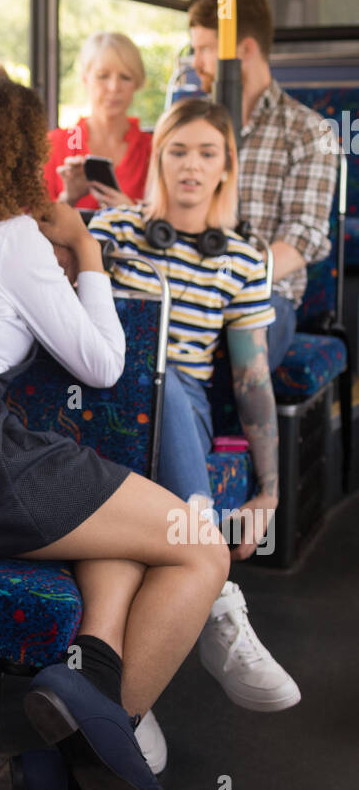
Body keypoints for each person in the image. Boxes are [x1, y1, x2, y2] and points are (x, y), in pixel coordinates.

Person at [0, 75, 230, 790]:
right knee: (197, 544)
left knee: (116, 533)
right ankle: (80, 759)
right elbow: (103, 362)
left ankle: (91, 670)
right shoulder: (12, 238)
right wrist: (85, 252)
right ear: (18, 155)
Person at [89, 98, 300, 714]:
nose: (191, 165)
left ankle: (130, 696)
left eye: (207, 153)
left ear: (226, 168)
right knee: (139, 360)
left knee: (171, 376)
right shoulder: (112, 234)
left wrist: (268, 489)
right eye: (178, 150)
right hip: (107, 403)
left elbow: (253, 380)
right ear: (158, 160)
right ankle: (210, 606)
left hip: (182, 406)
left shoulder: (240, 260)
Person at [189, 0, 339, 371]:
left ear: (244, 49)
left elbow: (303, 236)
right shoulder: (195, 126)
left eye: (206, 50)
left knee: (240, 338)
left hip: (266, 291)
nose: (196, 63)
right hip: (189, 276)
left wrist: (232, 277)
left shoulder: (310, 130)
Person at [44, 31, 153, 211]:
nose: (114, 87)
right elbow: (31, 227)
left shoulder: (153, 151)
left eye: (125, 77)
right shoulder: (53, 144)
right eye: (103, 76)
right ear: (85, 78)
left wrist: (130, 211)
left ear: (137, 83)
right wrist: (68, 198)